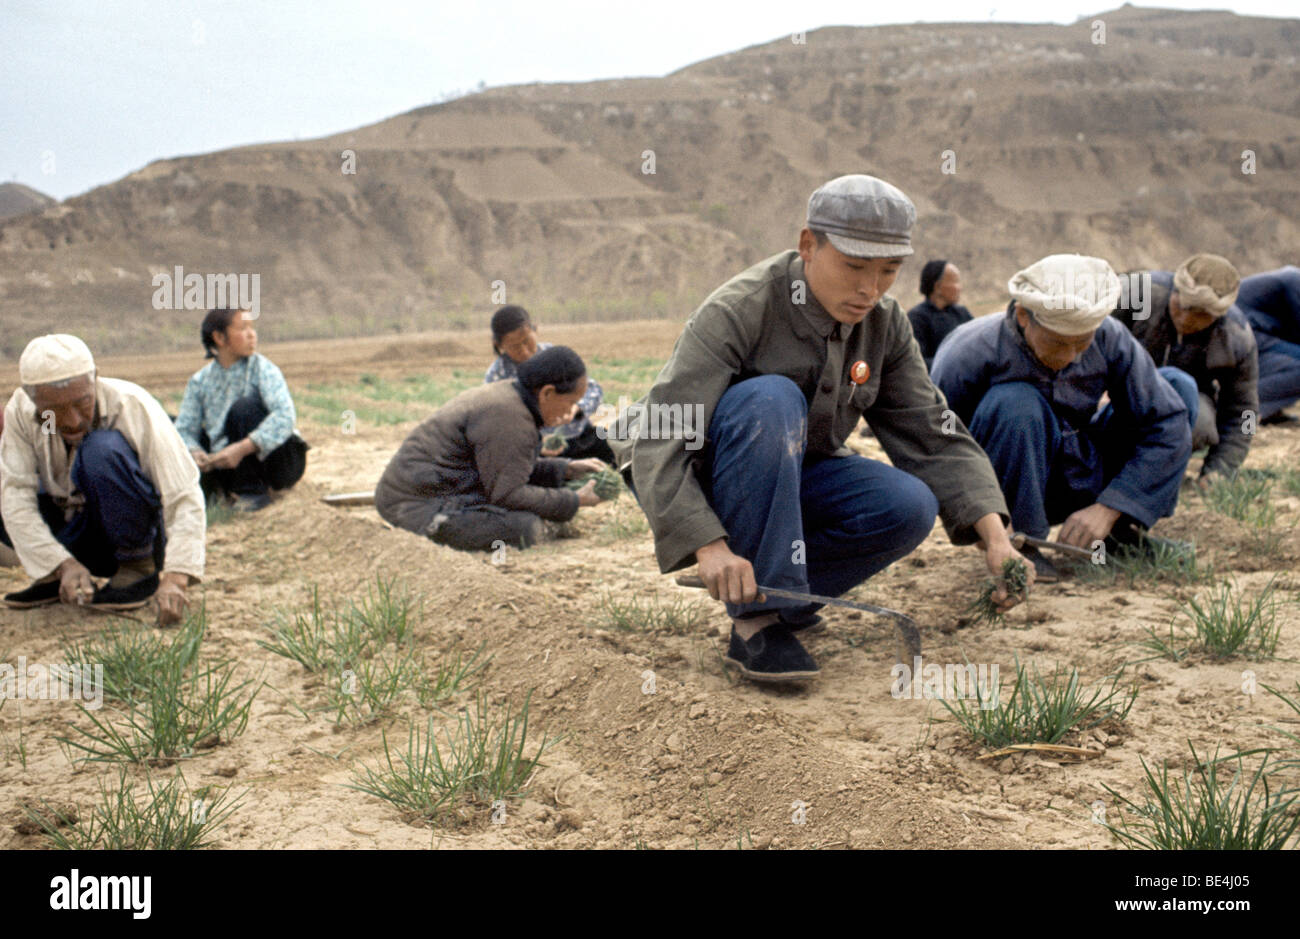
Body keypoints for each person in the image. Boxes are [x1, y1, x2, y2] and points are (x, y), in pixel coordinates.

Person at [608, 174, 1030, 685]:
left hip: (794, 469)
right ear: (808, 245)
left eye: (889, 271)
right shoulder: (740, 308)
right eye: (853, 267)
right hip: (702, 471)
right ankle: (755, 624)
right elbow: (663, 433)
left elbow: (931, 430)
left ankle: (782, 596)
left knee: (907, 505)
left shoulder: (886, 325)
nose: (868, 290)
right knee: (770, 398)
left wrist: (995, 536)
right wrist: (708, 546)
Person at [931, 254, 1192, 583]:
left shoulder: (1110, 337)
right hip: (1011, 488)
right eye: (1058, 343)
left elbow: (1166, 423)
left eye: (1082, 344)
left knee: (1178, 389)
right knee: (1015, 404)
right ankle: (1022, 546)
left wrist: (1109, 508)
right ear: (1025, 315)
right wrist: (984, 519)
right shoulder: (969, 353)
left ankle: (1115, 534)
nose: (1070, 357)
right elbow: (940, 449)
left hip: (1081, 470)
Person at [0, 335, 203, 624]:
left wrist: (177, 575)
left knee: (101, 450)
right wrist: (61, 564)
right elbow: (16, 496)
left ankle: (136, 568)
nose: (71, 420)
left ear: (95, 379)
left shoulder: (130, 404)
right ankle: (54, 577)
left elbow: (182, 493)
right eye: (53, 411)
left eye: (82, 402)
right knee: (6, 488)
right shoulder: (22, 413)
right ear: (33, 400)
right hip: (72, 535)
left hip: (127, 534)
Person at [376, 345, 610, 551]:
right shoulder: (510, 418)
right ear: (547, 392)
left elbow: (505, 466)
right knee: (524, 528)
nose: (572, 410)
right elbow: (508, 493)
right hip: (414, 505)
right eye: (571, 401)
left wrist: (566, 469)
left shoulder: (513, 397)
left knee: (531, 513)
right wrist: (573, 500)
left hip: (444, 488)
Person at [1111, 254, 1257, 484]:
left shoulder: (1237, 337)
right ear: (1175, 290)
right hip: (1116, 393)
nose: (1187, 318)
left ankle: (1156, 468)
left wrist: (1224, 467)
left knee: (1201, 422)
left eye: (1201, 314)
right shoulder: (1138, 292)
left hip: (1185, 406)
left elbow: (1246, 413)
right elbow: (1085, 346)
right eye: (1181, 306)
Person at [174, 308, 308, 512]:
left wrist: (243, 448)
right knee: (168, 423)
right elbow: (185, 428)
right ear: (219, 337)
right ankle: (214, 490)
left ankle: (252, 493)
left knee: (244, 408)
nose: (252, 334)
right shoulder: (199, 381)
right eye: (243, 328)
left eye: (252, 328)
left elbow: (285, 416)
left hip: (278, 462)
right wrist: (195, 451)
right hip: (226, 464)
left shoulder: (263, 369)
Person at [484, 305, 615, 463]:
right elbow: (501, 422)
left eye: (527, 341)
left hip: (579, 436)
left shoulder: (552, 355)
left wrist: (577, 408)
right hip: (542, 452)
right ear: (500, 346)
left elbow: (593, 389)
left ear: (535, 329)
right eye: (515, 347)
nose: (524, 351)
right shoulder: (498, 376)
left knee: (620, 454)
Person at [1233, 266, 1300, 423]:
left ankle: (1265, 409)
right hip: (1242, 335)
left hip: (1248, 335)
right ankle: (1243, 409)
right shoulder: (1295, 282)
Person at [907, 259, 973, 370]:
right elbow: (917, 361)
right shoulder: (917, 318)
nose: (959, 288)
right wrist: (954, 364)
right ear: (937, 287)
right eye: (955, 282)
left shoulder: (962, 313)